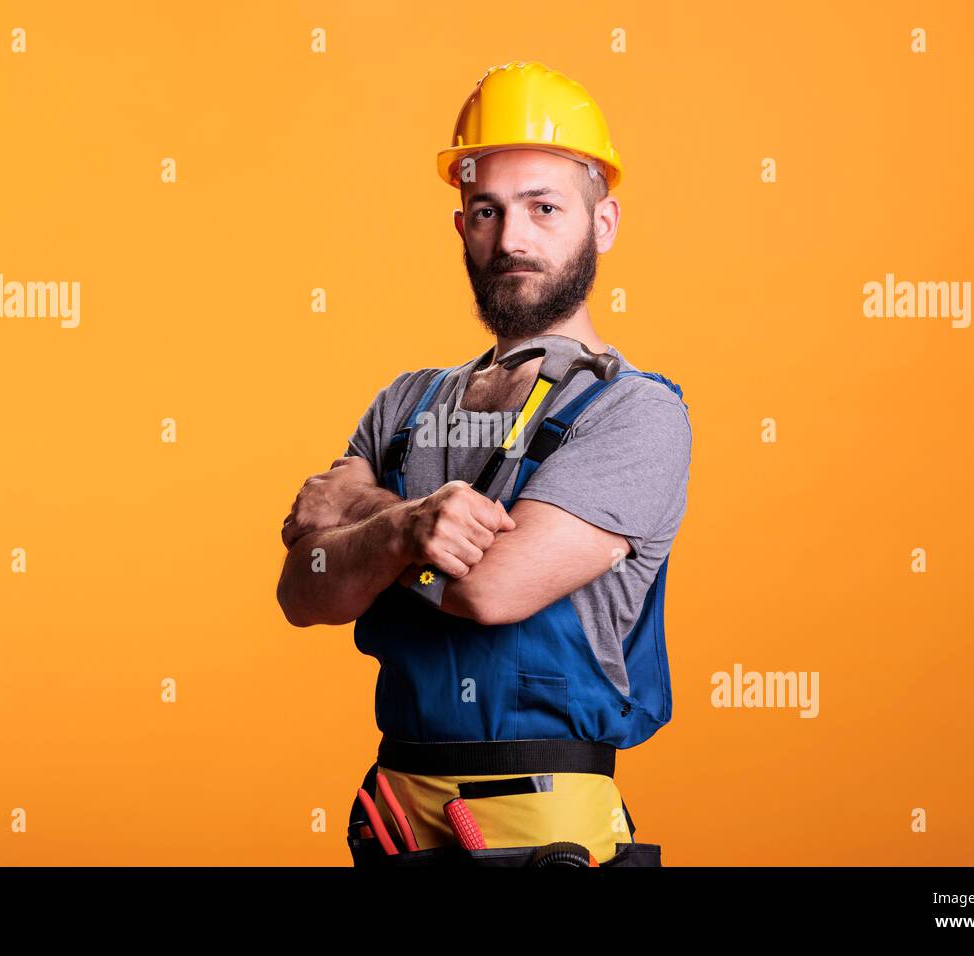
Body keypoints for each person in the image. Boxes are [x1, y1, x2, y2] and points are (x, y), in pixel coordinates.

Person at [276, 61, 692, 866]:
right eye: (486, 211)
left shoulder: (636, 414)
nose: (513, 240)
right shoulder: (407, 402)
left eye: (544, 208)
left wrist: (360, 522)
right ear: (461, 225)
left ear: (602, 223)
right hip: (396, 815)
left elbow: (486, 588)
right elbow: (302, 590)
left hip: (544, 830)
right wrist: (406, 524)